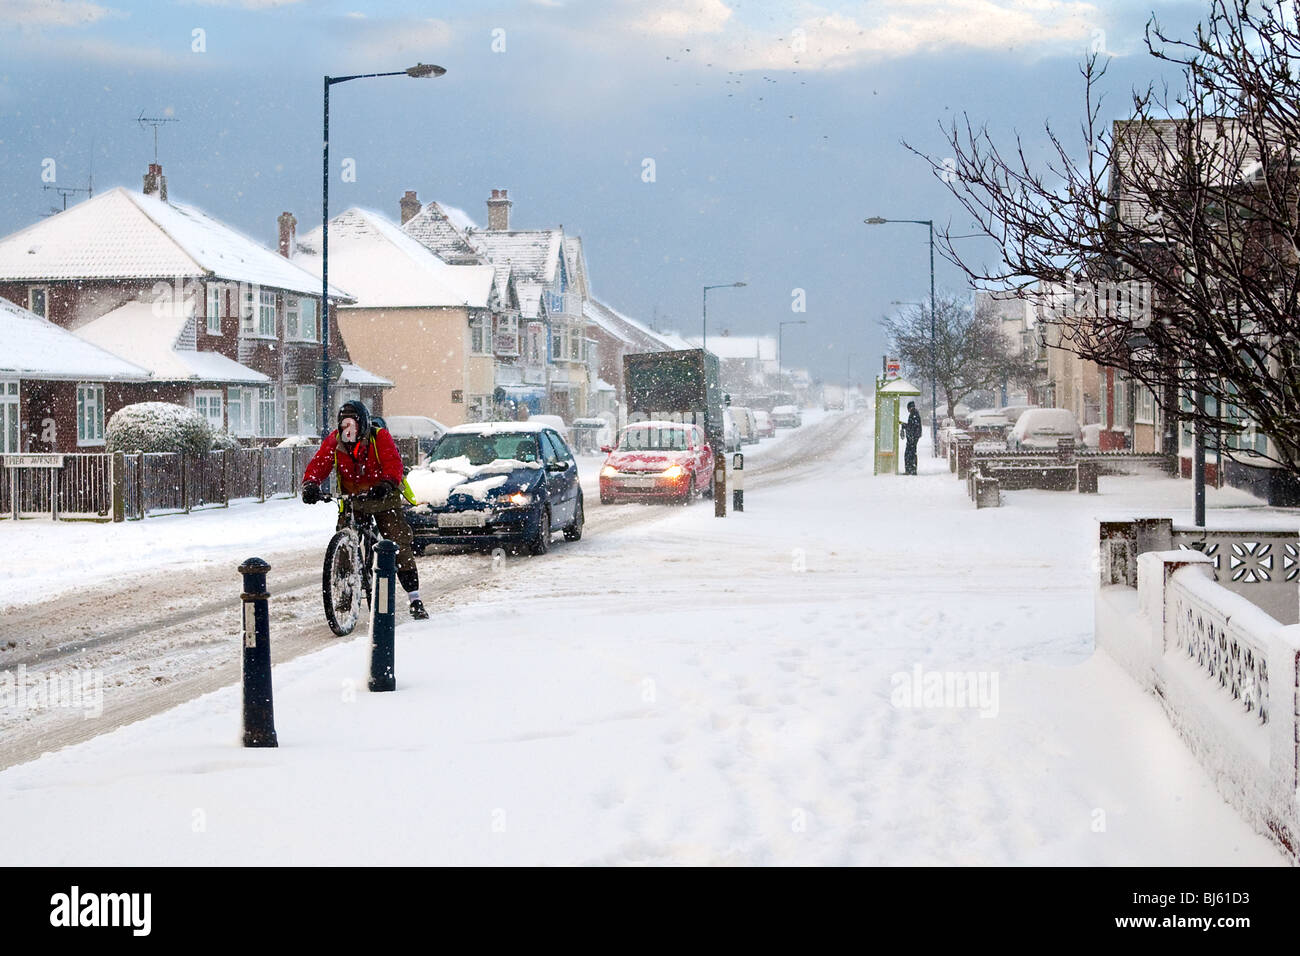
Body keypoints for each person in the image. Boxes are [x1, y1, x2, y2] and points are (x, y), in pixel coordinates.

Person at [301, 400, 428, 620]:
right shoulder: (335, 440)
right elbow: (320, 462)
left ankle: (414, 598)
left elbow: (393, 464)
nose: (348, 430)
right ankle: (344, 586)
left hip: (383, 498)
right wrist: (311, 484)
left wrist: (386, 483)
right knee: (343, 543)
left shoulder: (380, 438)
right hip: (352, 501)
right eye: (344, 425)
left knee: (398, 543)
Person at [901, 400, 922, 475]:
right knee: (912, 453)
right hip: (913, 437)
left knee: (909, 454)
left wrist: (905, 426)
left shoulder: (914, 414)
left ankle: (910, 470)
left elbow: (912, 427)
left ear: (909, 408)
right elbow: (913, 426)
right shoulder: (915, 414)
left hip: (912, 438)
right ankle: (912, 469)